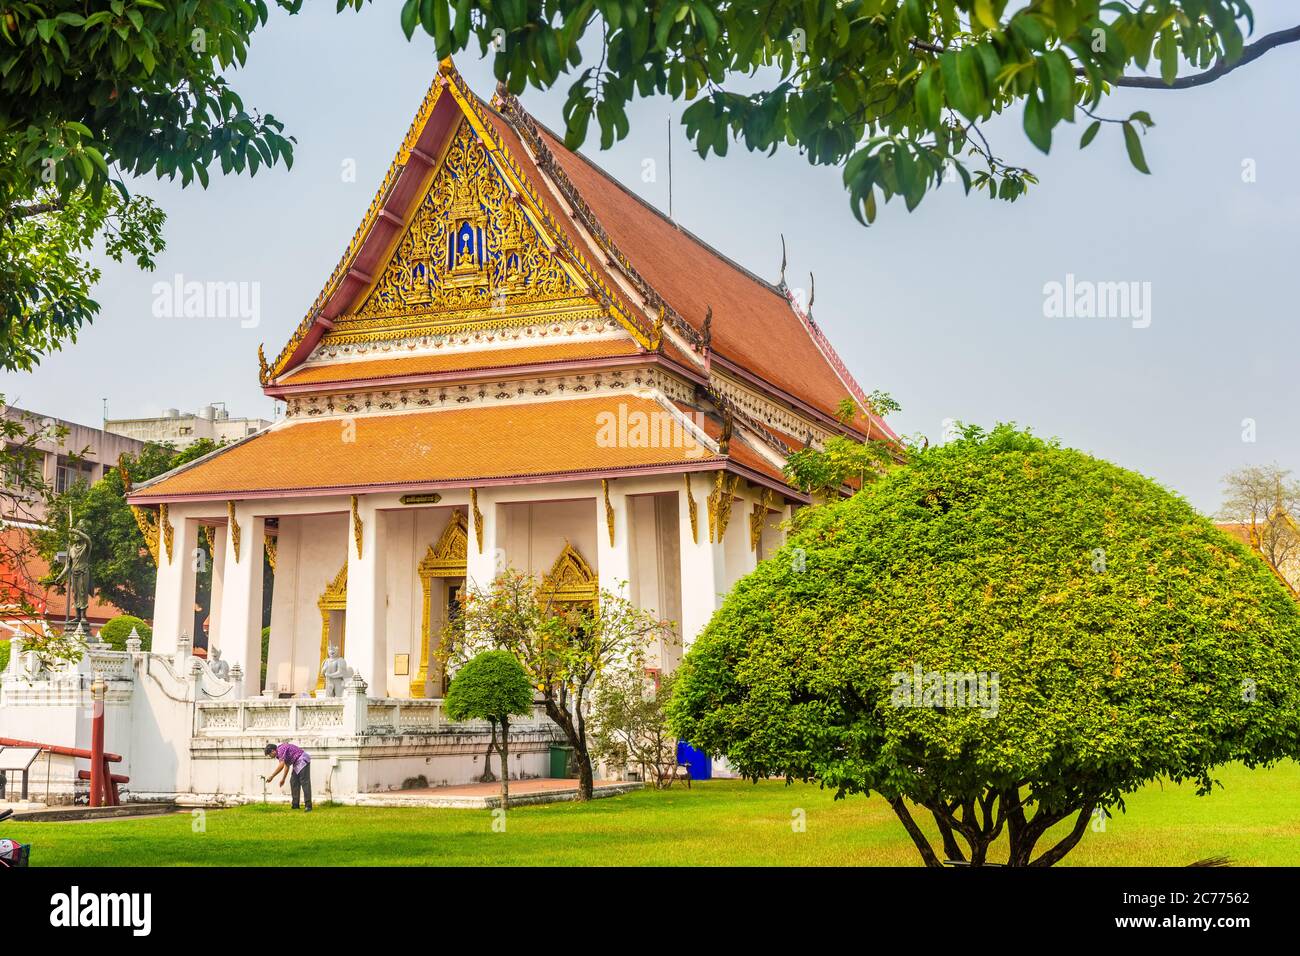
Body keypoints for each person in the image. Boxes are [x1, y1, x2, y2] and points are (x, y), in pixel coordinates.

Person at [264, 742, 312, 811]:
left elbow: (281, 765)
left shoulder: (280, 750)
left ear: (273, 751)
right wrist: (283, 779)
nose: (270, 757)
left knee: (304, 782)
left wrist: (272, 776)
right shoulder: (279, 753)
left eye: (269, 754)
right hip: (297, 763)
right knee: (293, 782)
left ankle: (308, 806)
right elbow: (287, 765)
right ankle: (295, 805)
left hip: (302, 759)